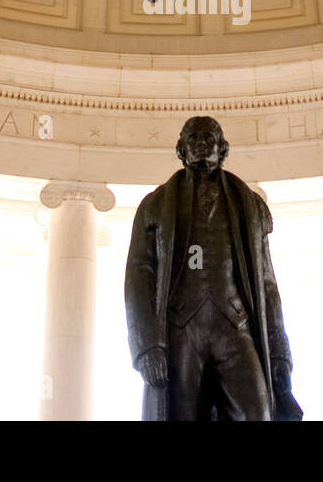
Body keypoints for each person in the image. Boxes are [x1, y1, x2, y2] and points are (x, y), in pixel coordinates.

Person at [124, 116, 303, 421]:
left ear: (223, 148)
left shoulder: (251, 206)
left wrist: (278, 352)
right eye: (194, 139)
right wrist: (147, 347)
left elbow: (267, 284)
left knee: (257, 411)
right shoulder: (153, 207)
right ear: (181, 149)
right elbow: (139, 279)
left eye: (210, 139)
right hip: (181, 330)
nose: (202, 145)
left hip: (235, 326)